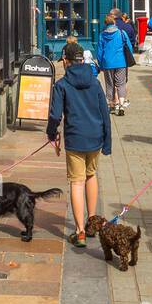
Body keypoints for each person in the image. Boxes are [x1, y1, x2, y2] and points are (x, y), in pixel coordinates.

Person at [46, 42, 112, 249]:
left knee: (76, 182)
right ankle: (91, 223)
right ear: (82, 60)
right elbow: (105, 113)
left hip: (75, 138)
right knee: (91, 176)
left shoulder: (62, 85)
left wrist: (51, 133)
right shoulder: (95, 82)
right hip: (96, 137)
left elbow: (55, 115)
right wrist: (107, 142)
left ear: (66, 61)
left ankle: (80, 231)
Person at [97, 12, 133, 115]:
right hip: (121, 62)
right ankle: (121, 106)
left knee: (109, 84)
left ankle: (111, 105)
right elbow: (129, 47)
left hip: (107, 63)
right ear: (114, 22)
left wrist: (100, 64)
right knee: (121, 84)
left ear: (105, 23)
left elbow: (99, 51)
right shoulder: (121, 33)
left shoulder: (102, 35)